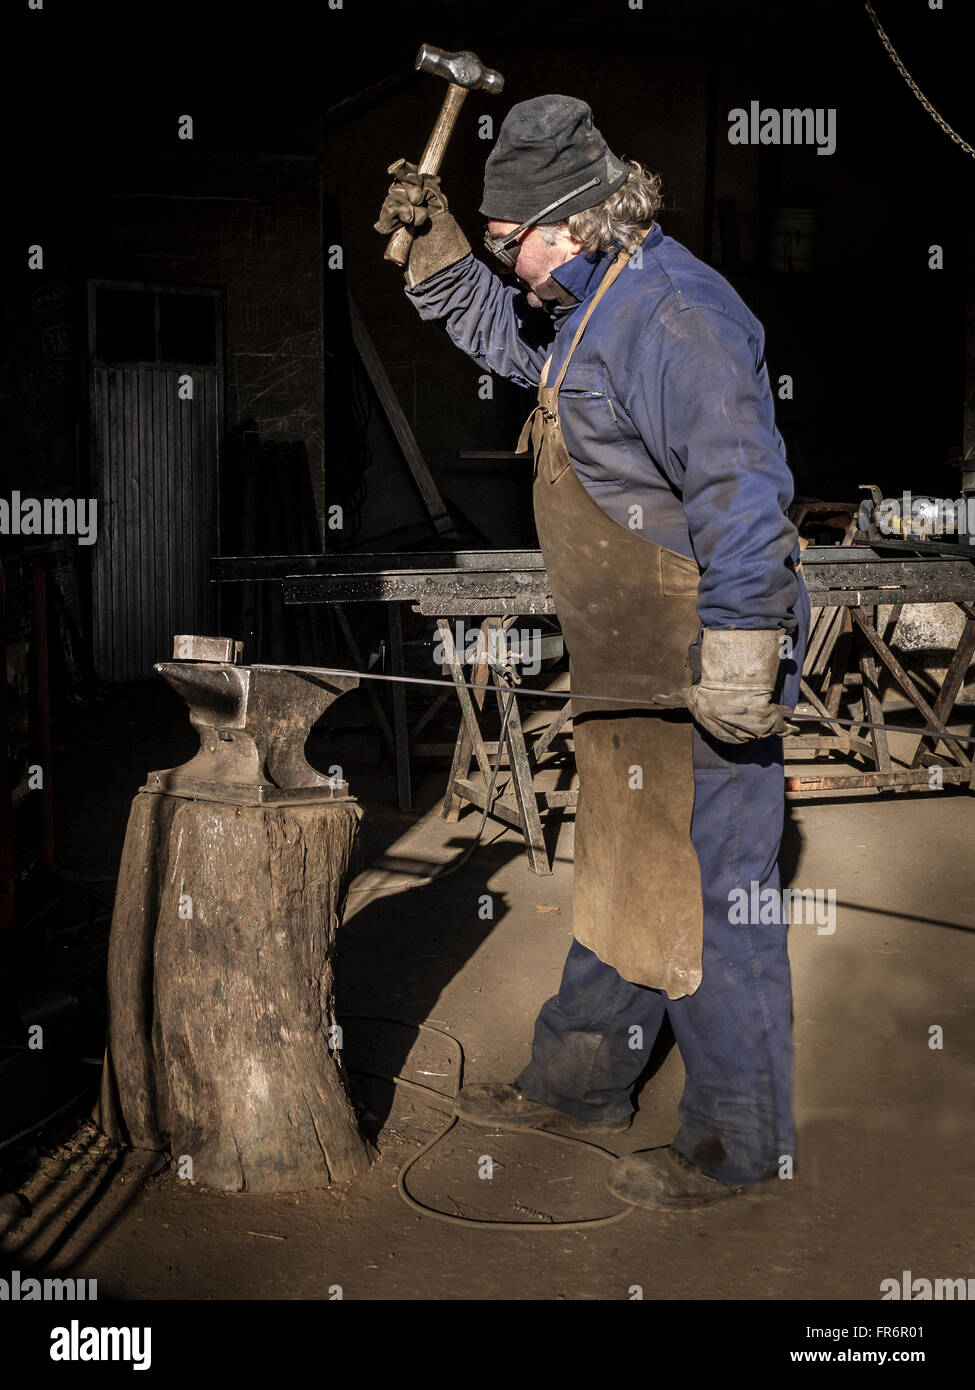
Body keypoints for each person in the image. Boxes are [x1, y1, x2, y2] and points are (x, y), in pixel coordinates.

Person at [375, 94, 811, 1211]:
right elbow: (503, 333)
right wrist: (443, 253)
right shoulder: (585, 301)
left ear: (568, 222)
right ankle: (582, 1079)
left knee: (718, 894)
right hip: (627, 655)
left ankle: (738, 1142)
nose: (512, 263)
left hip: (704, 647)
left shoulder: (675, 321)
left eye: (511, 240)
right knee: (624, 863)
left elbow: (744, 496)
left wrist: (741, 656)